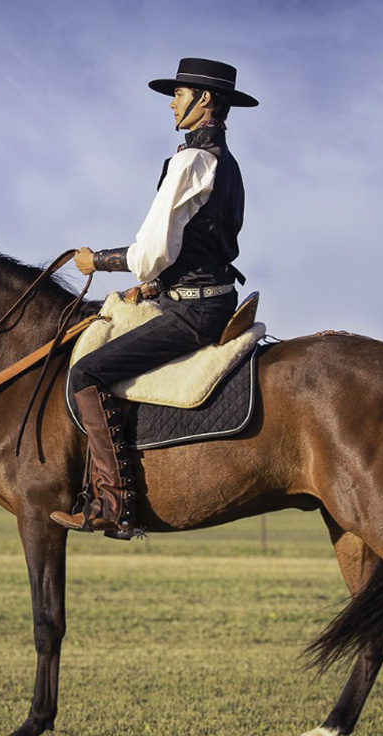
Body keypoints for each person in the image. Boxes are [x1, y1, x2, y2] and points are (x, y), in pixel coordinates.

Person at [50, 57, 258, 538]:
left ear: (205, 99)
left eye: (180, 94)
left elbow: (151, 251)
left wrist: (95, 261)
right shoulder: (228, 165)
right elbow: (195, 246)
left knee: (87, 370)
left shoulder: (190, 162)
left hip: (194, 311)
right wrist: (152, 286)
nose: (172, 103)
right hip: (211, 296)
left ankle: (112, 500)